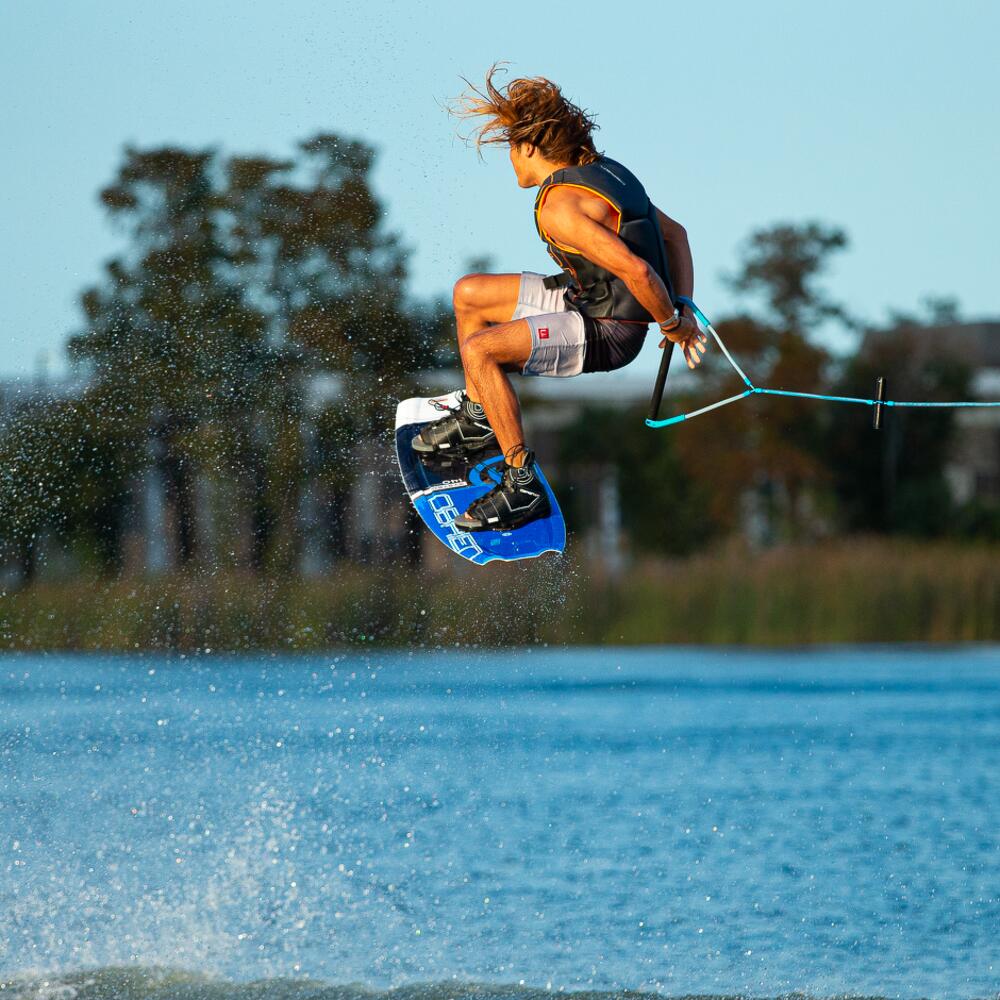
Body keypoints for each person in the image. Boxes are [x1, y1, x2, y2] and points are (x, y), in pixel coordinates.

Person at [413, 63, 706, 532]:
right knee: (469, 294)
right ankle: (480, 415)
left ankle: (520, 483)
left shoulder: (559, 209)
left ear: (528, 148)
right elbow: (677, 236)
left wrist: (672, 323)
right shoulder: (606, 173)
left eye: (511, 149)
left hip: (607, 331)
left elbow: (637, 270)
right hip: (584, 299)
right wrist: (684, 303)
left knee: (481, 351)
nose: (510, 161)